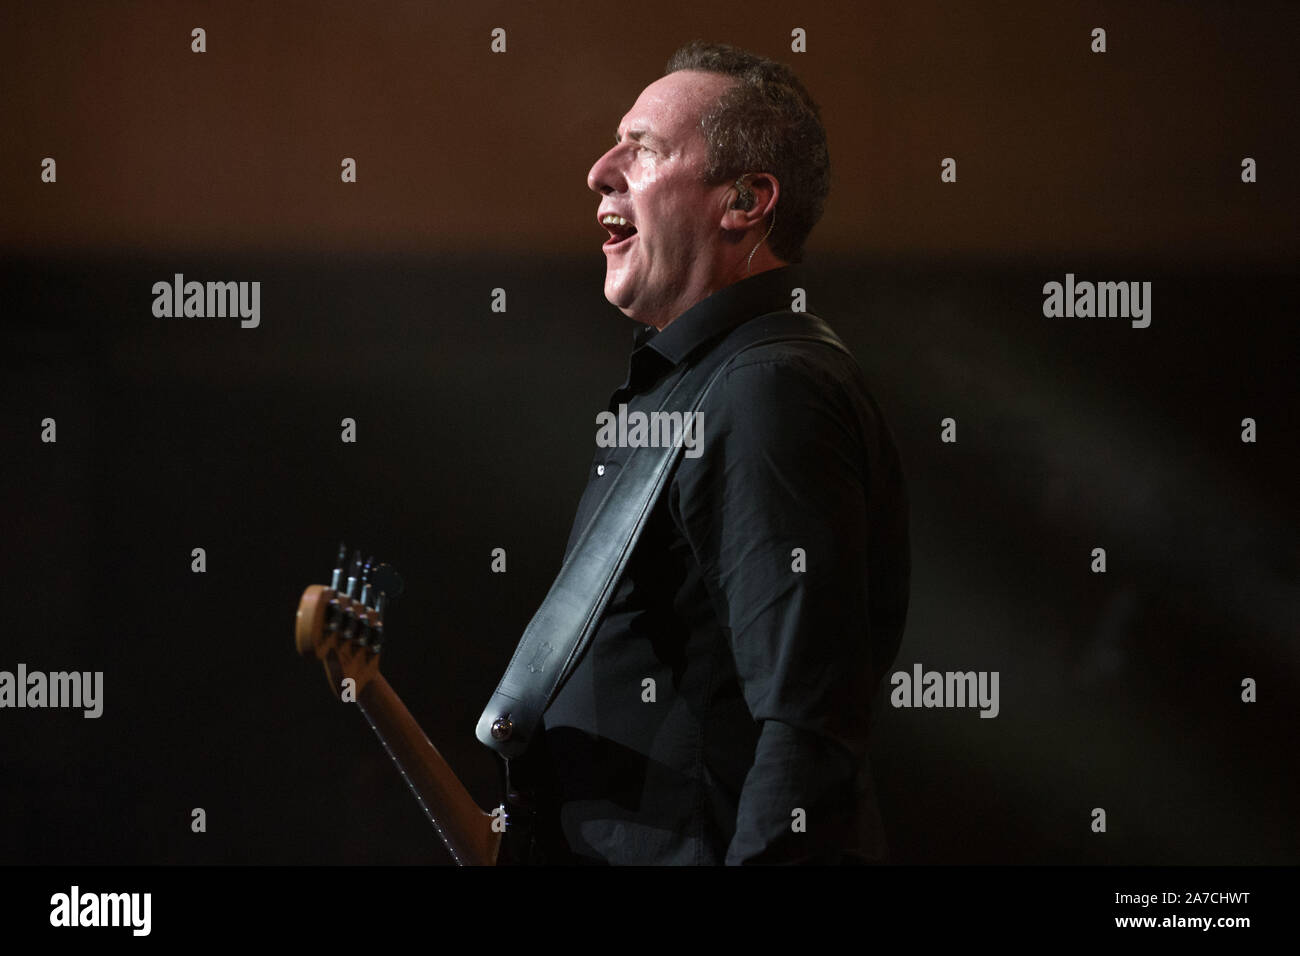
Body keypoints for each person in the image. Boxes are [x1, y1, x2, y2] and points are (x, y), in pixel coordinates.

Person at [516, 41, 910, 865]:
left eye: (645, 148)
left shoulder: (769, 391)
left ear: (744, 200)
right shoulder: (701, 386)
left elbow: (809, 723)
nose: (600, 169)